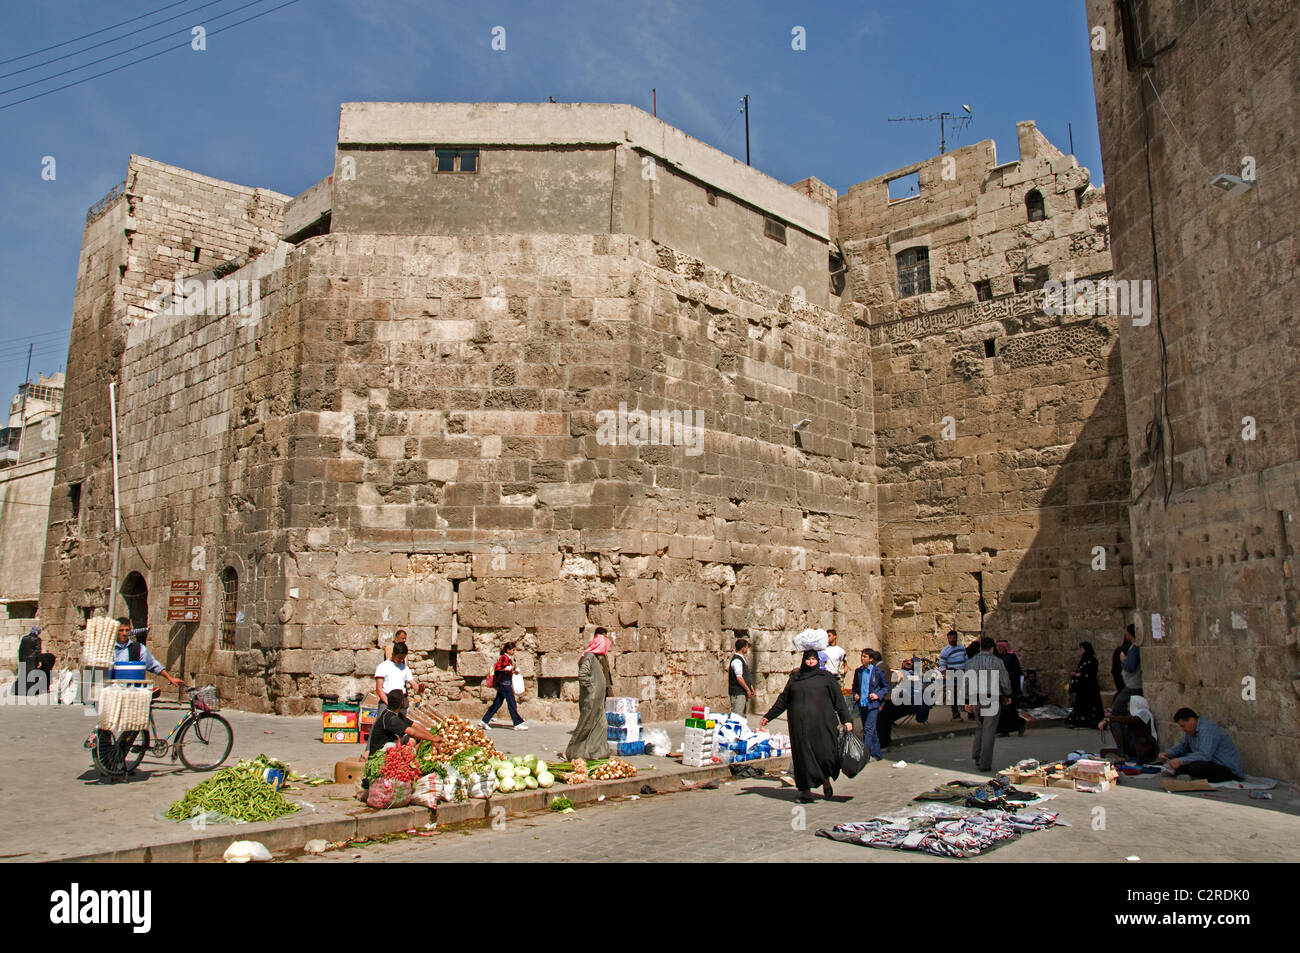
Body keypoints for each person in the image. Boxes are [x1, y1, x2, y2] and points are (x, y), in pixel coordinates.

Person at [760, 649, 854, 802]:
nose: (810, 662)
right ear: (803, 660)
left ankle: (825, 781)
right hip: (800, 727)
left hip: (822, 725)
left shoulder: (826, 678)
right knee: (803, 758)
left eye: (813, 659)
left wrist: (847, 720)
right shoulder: (795, 678)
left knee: (824, 755)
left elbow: (839, 700)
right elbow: (783, 700)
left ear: (818, 661)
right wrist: (768, 716)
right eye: (808, 659)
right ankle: (805, 792)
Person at [963, 636, 1012, 772]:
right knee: (989, 730)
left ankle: (976, 755)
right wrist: (1008, 694)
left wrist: (967, 700)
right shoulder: (997, 662)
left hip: (976, 698)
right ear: (992, 648)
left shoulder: (970, 662)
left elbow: (966, 682)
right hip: (992, 697)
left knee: (980, 727)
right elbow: (1004, 680)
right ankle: (985, 763)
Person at [1158, 708, 1244, 782]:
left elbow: (1205, 755)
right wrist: (1168, 754)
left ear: (1191, 720)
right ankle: (1180, 771)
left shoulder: (1207, 729)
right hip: (1210, 763)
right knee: (1178, 758)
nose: (1183, 729)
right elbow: (1183, 746)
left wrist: (1181, 761)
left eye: (1183, 726)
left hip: (1227, 770)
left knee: (1195, 767)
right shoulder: (1191, 731)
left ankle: (1186, 773)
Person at [566, 627, 613, 761]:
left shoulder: (598, 658)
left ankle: (598, 752)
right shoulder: (589, 656)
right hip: (591, 699)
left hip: (598, 700)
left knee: (601, 725)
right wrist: (592, 690)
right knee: (585, 725)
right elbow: (583, 674)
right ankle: (572, 752)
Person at [113, 618, 184, 691]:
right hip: (113, 690)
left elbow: (153, 665)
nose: (124, 633)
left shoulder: (138, 648)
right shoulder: (109, 648)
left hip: (132, 690)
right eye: (121, 630)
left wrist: (170, 678)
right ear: (115, 630)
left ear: (130, 630)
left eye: (127, 630)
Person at [366, 689, 437, 755]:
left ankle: (412, 761)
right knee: (411, 739)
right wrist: (433, 739)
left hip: (389, 745)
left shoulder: (396, 714)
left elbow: (415, 725)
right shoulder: (391, 718)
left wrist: (432, 736)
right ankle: (408, 762)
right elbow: (412, 732)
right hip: (379, 751)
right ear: (402, 702)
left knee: (418, 736)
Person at [851, 648, 889, 761]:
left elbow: (885, 686)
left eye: (865, 657)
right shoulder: (858, 671)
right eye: (862, 656)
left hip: (872, 705)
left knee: (868, 729)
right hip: (862, 704)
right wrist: (855, 694)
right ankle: (877, 753)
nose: (862, 659)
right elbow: (855, 686)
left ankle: (865, 755)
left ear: (871, 659)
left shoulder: (877, 672)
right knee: (871, 730)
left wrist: (877, 695)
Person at [481, 641, 528, 730]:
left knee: (497, 703)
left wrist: (513, 670)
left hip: (504, 684)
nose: (514, 652)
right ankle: (517, 723)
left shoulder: (508, 658)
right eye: (512, 650)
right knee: (512, 703)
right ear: (508, 650)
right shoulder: (504, 658)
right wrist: (509, 668)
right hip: (505, 684)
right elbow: (498, 668)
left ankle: (484, 721)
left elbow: (505, 671)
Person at [1100, 696, 1158, 763]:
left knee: (1116, 723)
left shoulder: (1143, 714)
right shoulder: (1138, 714)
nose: (1128, 705)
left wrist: (1109, 719)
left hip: (1143, 748)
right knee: (1117, 723)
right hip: (1138, 745)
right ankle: (1122, 753)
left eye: (1130, 703)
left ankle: (1123, 754)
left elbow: (1129, 720)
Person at [374, 642, 420, 716]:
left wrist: (417, 687)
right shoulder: (383, 667)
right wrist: (389, 704)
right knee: (383, 725)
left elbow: (413, 683)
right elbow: (379, 689)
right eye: (399, 658)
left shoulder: (404, 668)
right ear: (393, 654)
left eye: (403, 658)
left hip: (401, 702)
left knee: (401, 725)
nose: (401, 660)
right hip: (387, 701)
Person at [1066, 642, 1105, 728]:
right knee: (1081, 703)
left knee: (1091, 703)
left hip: (1090, 686)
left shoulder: (1092, 660)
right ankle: (1081, 720)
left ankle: (1092, 721)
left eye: (1082, 649)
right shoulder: (1083, 659)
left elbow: (1090, 673)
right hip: (1083, 686)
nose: (1081, 651)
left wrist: (1079, 675)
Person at [994, 640, 1026, 737]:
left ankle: (1020, 724)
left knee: (1009, 710)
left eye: (1000, 647)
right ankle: (1003, 730)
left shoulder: (1011, 658)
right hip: (999, 688)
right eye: (997, 647)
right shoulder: (997, 658)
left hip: (1010, 688)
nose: (998, 649)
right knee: (1000, 710)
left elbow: (1016, 674)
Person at [16, 625, 55, 696]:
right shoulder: (37, 639)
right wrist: (38, 661)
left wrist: (20, 660)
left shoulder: (24, 638)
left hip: (23, 660)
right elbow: (38, 651)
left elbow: (20, 650)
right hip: (32, 660)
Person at [939, 630, 969, 720]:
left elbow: (966, 659)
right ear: (948, 639)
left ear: (956, 638)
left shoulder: (961, 648)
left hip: (963, 671)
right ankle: (956, 714)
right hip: (952, 672)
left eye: (953, 638)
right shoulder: (945, 650)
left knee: (966, 692)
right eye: (950, 638)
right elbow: (942, 664)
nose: (952, 639)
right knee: (954, 694)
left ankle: (970, 713)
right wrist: (945, 674)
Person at [1113, 624, 1142, 714]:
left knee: (1117, 708)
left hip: (1133, 685)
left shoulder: (1134, 648)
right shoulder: (1133, 647)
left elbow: (1130, 666)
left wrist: (1124, 660)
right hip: (1131, 684)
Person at [728, 638, 755, 715]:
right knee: (737, 715)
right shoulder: (737, 661)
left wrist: (750, 686)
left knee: (742, 716)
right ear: (743, 648)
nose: (747, 649)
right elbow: (739, 677)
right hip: (738, 693)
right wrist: (747, 689)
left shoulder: (741, 659)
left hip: (742, 693)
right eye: (746, 647)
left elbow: (745, 675)